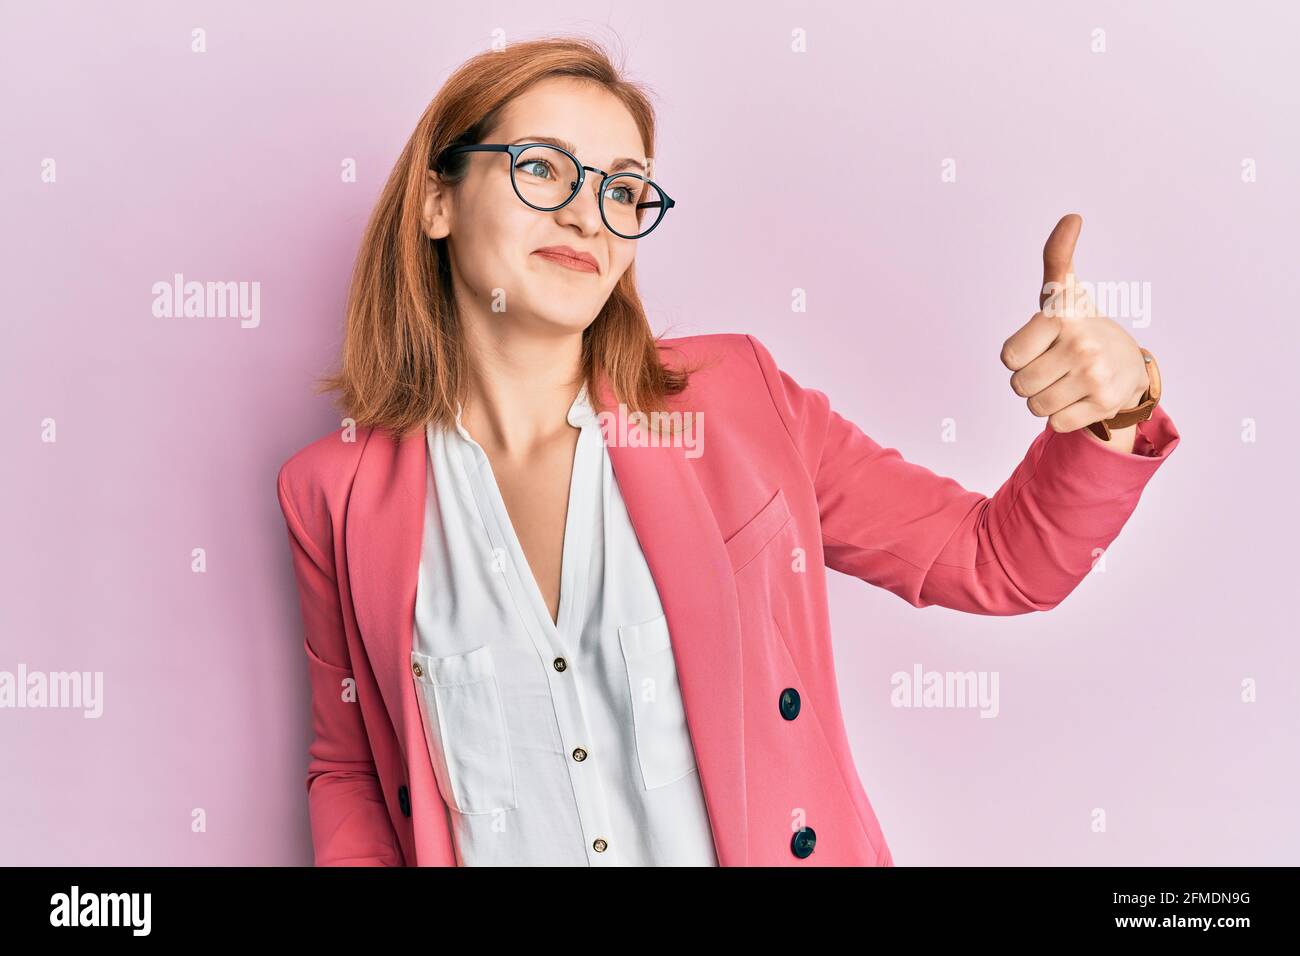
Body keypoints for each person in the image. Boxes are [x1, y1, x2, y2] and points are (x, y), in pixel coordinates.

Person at [275, 35, 1180, 866]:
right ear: (437, 199)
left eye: (622, 190)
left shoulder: (739, 403)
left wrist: (1118, 402)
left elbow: (997, 561)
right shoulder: (334, 493)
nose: (590, 217)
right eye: (544, 169)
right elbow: (350, 765)